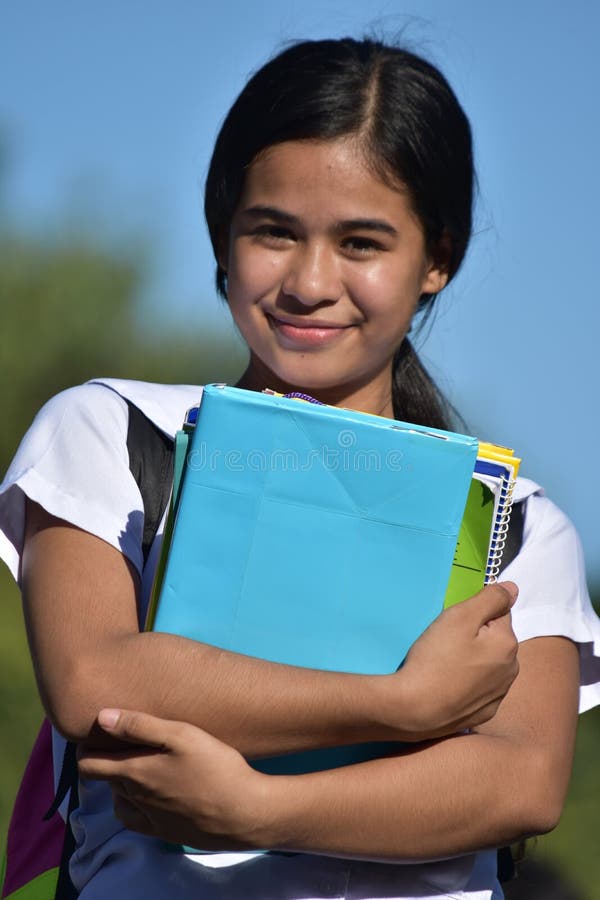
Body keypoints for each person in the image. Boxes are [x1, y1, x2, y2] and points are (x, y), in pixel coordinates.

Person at [1, 36, 599, 900]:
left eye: (362, 243)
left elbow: (521, 782)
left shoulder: (516, 522)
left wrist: (254, 809)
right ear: (223, 232)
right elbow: (95, 681)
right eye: (274, 232)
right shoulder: (114, 432)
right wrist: (402, 705)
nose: (310, 282)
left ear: (438, 257)